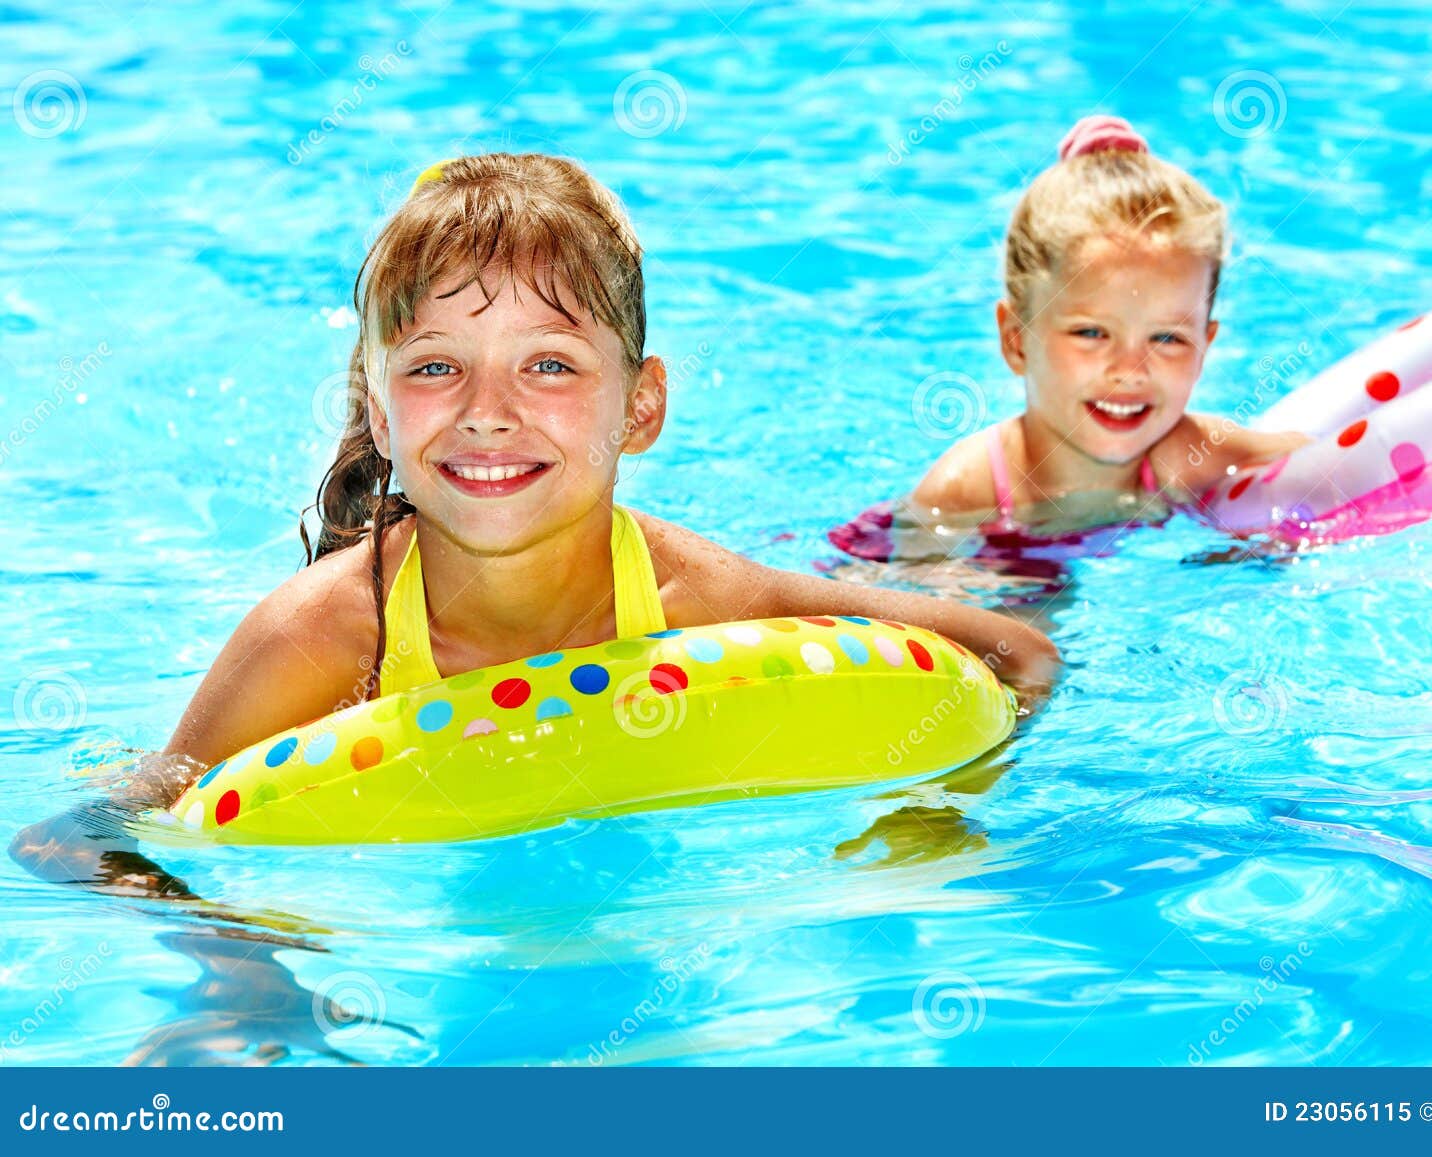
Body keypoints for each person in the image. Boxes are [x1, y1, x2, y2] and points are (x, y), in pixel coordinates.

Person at [13, 152, 1058, 891]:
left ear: (640, 405)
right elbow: (101, 832)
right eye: (435, 367)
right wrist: (242, 982)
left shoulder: (694, 596)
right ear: (382, 411)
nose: (488, 412)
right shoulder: (329, 635)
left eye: (549, 364)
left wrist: (927, 810)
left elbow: (1012, 653)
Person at [907, 115, 1308, 536]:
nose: (1131, 369)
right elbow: (903, 592)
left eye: (1167, 338)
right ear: (1016, 340)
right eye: (1092, 333)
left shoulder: (1191, 456)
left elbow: (1326, 468)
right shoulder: (967, 493)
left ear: (1205, 347)